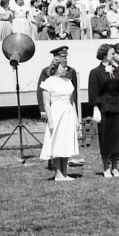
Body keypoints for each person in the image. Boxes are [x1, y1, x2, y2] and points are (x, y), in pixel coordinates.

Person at [89, 43, 119, 177]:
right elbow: (93, 92)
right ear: (104, 55)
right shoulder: (95, 72)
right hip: (104, 108)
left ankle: (115, 167)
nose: (115, 55)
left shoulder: (117, 70)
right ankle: (106, 168)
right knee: (106, 138)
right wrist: (95, 109)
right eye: (112, 53)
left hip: (118, 106)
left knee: (118, 137)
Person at [38, 48, 79, 181]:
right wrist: (50, 121)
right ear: (56, 66)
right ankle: (58, 174)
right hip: (56, 114)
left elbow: (72, 102)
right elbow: (46, 103)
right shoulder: (48, 82)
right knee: (56, 143)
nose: (65, 69)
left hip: (68, 114)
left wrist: (76, 119)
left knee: (66, 142)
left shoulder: (68, 82)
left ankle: (65, 173)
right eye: (63, 66)